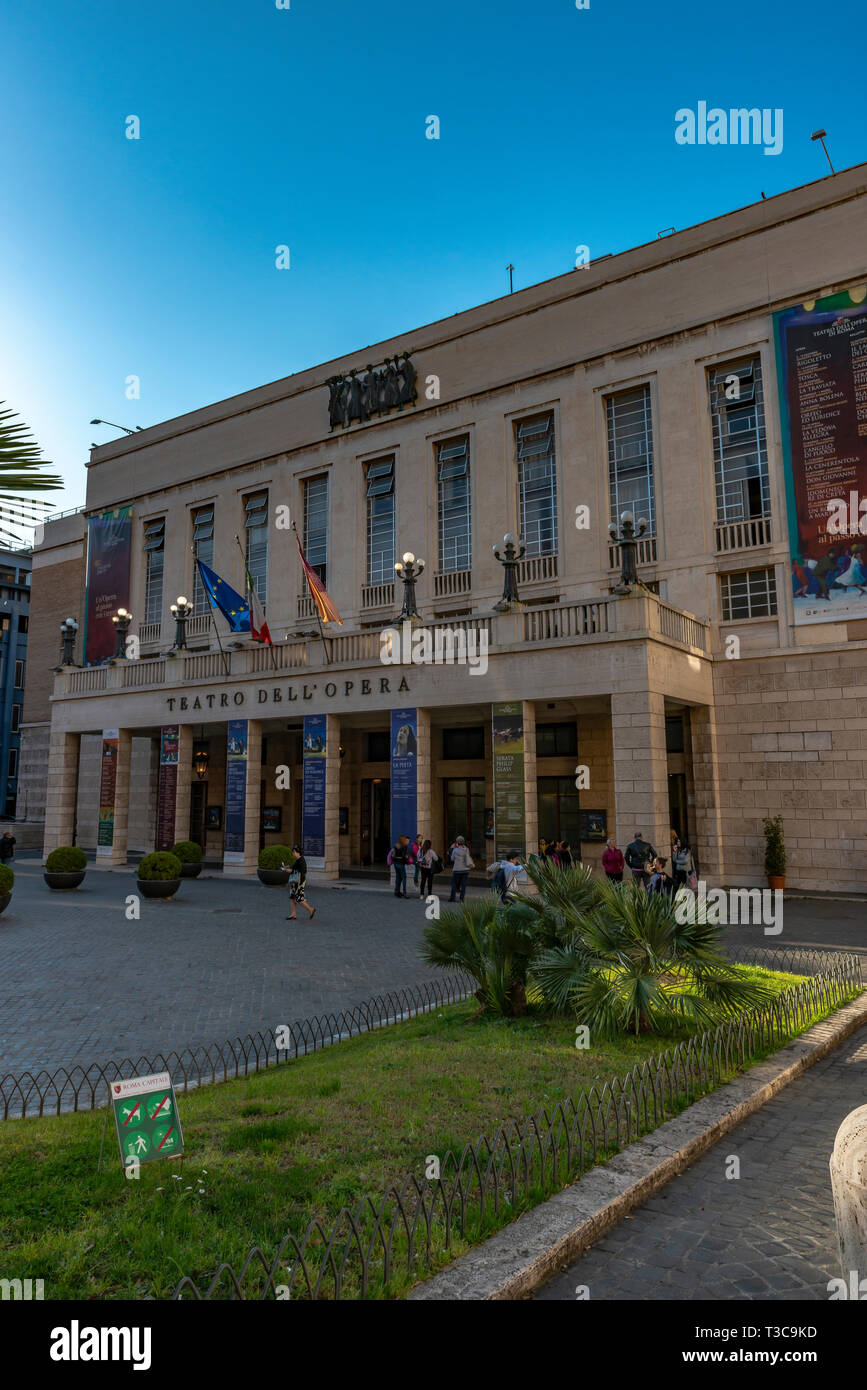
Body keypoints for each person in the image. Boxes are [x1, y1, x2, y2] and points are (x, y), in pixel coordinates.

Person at [285, 846, 315, 921]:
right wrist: (288, 869)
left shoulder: (301, 860)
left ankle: (311, 909)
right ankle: (293, 914)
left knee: (299, 899)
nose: (293, 853)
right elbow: (295, 870)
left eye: (294, 852)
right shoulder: (298, 860)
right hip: (294, 882)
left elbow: (303, 872)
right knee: (292, 897)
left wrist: (299, 884)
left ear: (298, 852)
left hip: (298, 882)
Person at [448, 836, 474, 902]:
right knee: (463, 884)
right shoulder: (466, 849)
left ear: (457, 842)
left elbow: (452, 859)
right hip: (465, 869)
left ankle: (452, 898)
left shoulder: (455, 850)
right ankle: (462, 898)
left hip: (457, 869)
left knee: (454, 884)